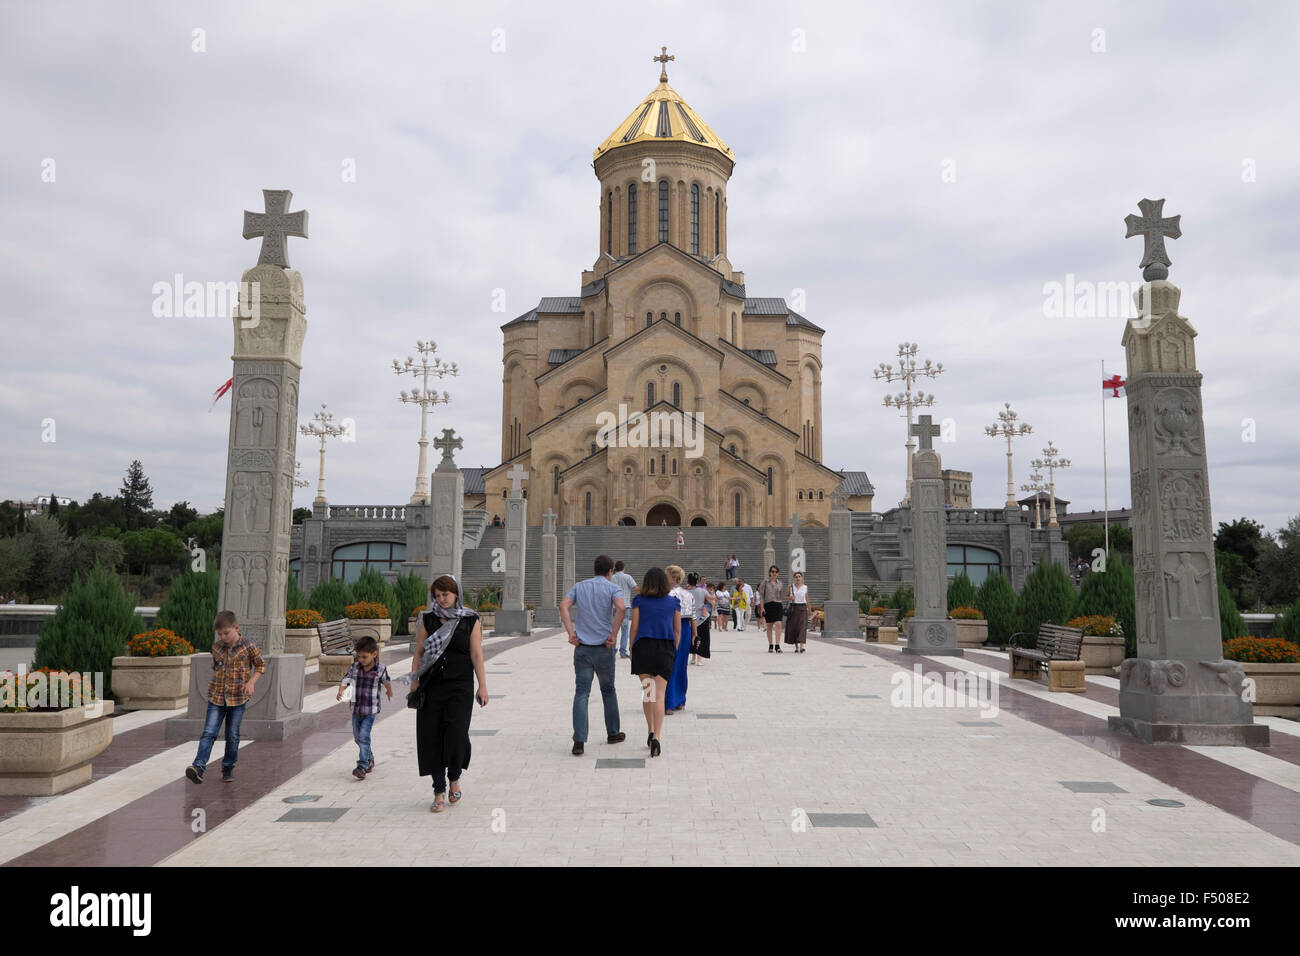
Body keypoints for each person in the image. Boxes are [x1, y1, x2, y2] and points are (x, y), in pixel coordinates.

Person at [411, 573, 487, 813]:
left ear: (456, 595)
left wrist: (482, 685)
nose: (441, 599)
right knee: (431, 736)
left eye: (446, 594)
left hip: (461, 687)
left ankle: (454, 776)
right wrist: (414, 680)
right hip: (431, 685)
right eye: (438, 595)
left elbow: (476, 654)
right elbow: (419, 653)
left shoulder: (470, 620)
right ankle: (438, 790)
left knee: (456, 733)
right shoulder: (428, 619)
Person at [560, 554, 627, 755]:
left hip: (582, 647)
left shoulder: (580, 586)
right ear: (610, 572)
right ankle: (613, 732)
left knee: (582, 693)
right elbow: (622, 608)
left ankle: (579, 740)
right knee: (608, 690)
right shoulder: (612, 587)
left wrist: (571, 633)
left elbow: (563, 605)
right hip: (604, 647)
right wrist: (614, 634)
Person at [185, 610, 263, 784]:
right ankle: (198, 767)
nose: (223, 637)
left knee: (232, 734)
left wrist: (251, 683)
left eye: (226, 633)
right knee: (208, 733)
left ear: (236, 628)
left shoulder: (248, 646)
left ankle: (228, 768)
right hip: (217, 697)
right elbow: (216, 668)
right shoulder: (217, 648)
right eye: (220, 634)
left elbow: (260, 665)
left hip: (238, 698)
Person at [630, 566, 680, 757]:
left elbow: (634, 627)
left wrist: (631, 649)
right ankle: (657, 737)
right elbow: (677, 631)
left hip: (643, 647)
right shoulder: (674, 602)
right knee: (660, 695)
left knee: (648, 692)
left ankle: (650, 730)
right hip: (665, 648)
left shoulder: (639, 600)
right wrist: (674, 649)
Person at [338, 635, 393, 778]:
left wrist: (389, 690)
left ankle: (362, 766)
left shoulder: (380, 668)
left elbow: (386, 681)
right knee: (357, 737)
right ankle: (370, 758)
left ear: (374, 654)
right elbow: (346, 679)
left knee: (364, 736)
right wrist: (341, 689)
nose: (360, 660)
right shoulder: (354, 667)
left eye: (364, 657)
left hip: (370, 710)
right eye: (359, 657)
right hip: (356, 709)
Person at [664, 565, 693, 713]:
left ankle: (668, 702)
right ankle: (680, 700)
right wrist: (694, 634)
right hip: (686, 629)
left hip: (672, 627)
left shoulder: (667, 594)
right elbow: (693, 616)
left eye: (666, 575)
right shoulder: (688, 594)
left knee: (669, 664)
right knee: (681, 665)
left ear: (674, 578)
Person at [611, 560, 639, 659]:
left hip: (614, 607)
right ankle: (623, 652)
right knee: (625, 630)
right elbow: (636, 588)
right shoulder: (627, 577)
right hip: (625, 606)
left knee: (613, 630)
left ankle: (612, 650)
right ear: (623, 568)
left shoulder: (612, 577)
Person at [758, 565, 785, 652]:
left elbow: (781, 596)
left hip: (778, 604)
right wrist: (762, 607)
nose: (774, 573)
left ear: (778, 573)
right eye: (772, 571)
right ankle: (770, 645)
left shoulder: (780, 583)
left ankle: (777, 645)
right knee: (769, 625)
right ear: (770, 572)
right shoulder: (765, 582)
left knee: (778, 624)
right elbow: (761, 595)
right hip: (768, 605)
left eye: (776, 572)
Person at [784, 570, 809, 653]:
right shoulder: (791, 586)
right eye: (796, 577)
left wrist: (809, 609)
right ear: (794, 578)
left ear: (801, 578)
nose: (798, 578)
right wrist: (790, 598)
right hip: (794, 607)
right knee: (794, 627)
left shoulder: (805, 587)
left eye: (799, 576)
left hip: (803, 607)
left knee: (802, 627)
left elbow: (807, 599)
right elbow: (786, 597)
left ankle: (802, 646)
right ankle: (796, 646)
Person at [691, 576, 712, 665]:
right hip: (702, 618)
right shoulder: (703, 591)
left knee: (693, 637)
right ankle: (699, 659)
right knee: (702, 638)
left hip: (692, 618)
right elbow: (711, 600)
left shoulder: (686, 592)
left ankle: (693, 658)